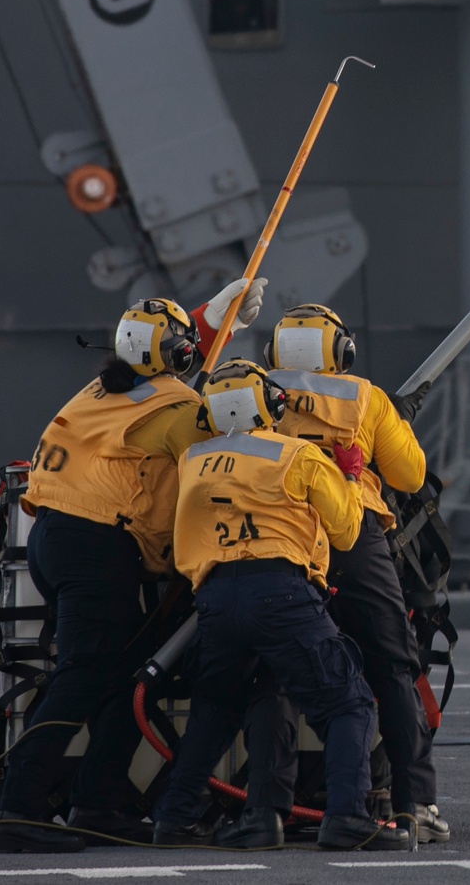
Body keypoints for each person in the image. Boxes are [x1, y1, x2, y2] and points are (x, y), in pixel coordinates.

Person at [0, 279, 266, 855]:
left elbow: (163, 356)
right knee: (85, 676)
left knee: (127, 677)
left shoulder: (104, 388)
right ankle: (19, 810)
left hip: (57, 539)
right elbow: (240, 428)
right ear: (182, 357)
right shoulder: (174, 408)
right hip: (97, 550)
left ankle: (98, 803)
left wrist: (212, 320)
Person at [151, 358, 412, 853]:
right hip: (280, 592)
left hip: (214, 600)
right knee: (348, 703)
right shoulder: (295, 455)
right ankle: (347, 818)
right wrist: (352, 478)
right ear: (269, 405)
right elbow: (346, 531)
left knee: (215, 708)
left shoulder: (193, 460)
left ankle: (178, 817)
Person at [261, 304, 450, 845]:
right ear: (340, 352)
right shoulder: (363, 396)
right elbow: (411, 476)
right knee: (393, 664)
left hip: (275, 538)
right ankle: (415, 803)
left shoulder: (249, 391)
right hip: (350, 536)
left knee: (272, 669)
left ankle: (267, 806)